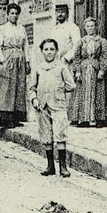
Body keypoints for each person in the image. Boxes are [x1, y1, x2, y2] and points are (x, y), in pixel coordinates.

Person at [30, 38, 75, 177]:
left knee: (60, 134)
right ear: (42, 51)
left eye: (52, 49)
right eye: (46, 49)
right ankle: (50, 166)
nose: (49, 52)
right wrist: (34, 99)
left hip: (58, 105)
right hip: (42, 106)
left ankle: (63, 167)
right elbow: (32, 88)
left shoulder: (61, 68)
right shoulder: (38, 69)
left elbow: (71, 85)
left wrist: (58, 92)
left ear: (56, 51)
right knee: (46, 135)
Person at [0, 3, 30, 129]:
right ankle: (6, 118)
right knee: (8, 86)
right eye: (12, 13)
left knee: (19, 86)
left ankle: (16, 116)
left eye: (16, 14)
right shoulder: (2, 29)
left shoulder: (21, 29)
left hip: (20, 57)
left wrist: (27, 61)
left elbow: (25, 45)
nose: (14, 16)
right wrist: (2, 60)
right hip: (8, 57)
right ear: (7, 15)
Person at [69, 16, 107, 127]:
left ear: (96, 27)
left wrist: (102, 70)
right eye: (88, 26)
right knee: (82, 94)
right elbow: (76, 57)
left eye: (92, 26)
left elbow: (105, 57)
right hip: (83, 70)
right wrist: (77, 71)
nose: (90, 28)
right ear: (85, 28)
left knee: (97, 94)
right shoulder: (81, 42)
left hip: (96, 70)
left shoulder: (101, 41)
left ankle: (98, 119)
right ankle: (84, 120)